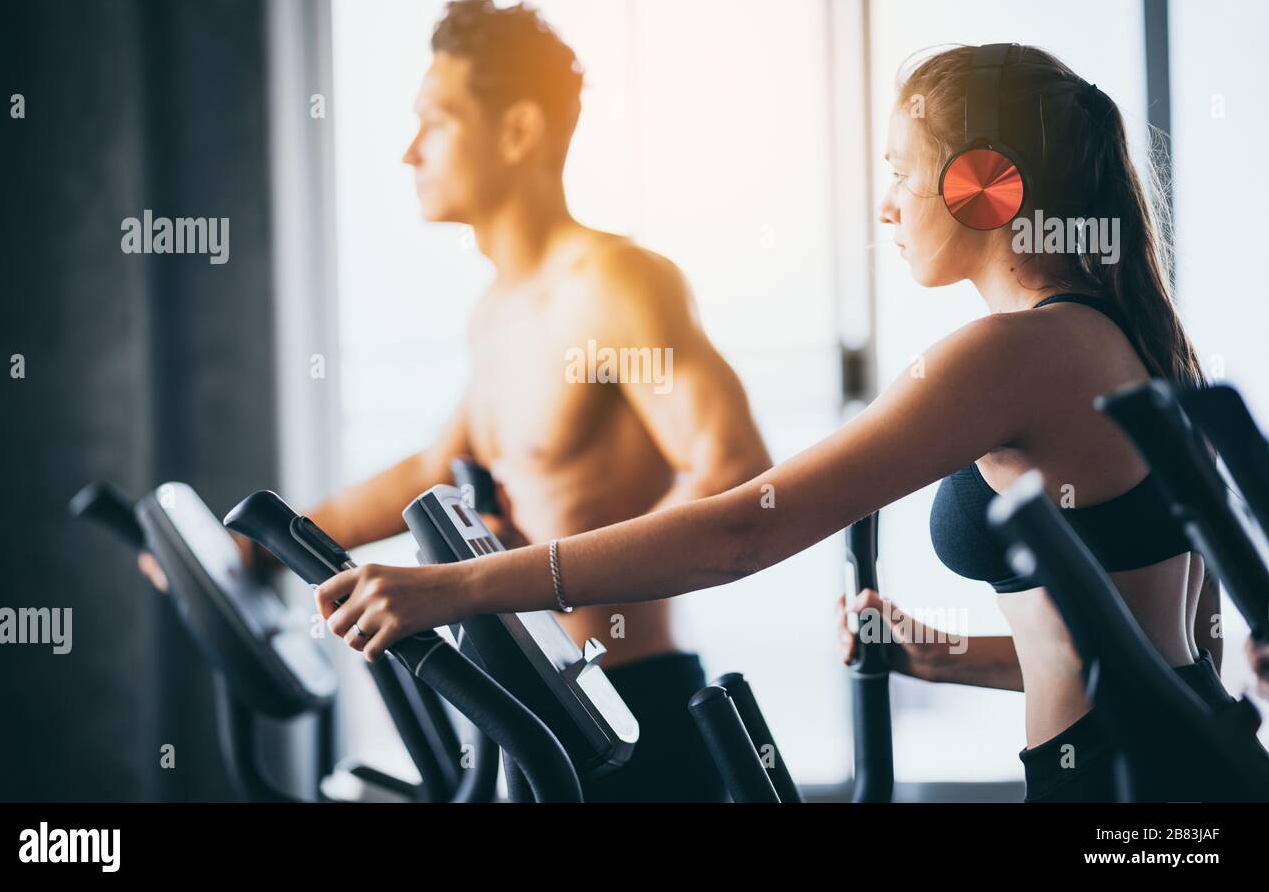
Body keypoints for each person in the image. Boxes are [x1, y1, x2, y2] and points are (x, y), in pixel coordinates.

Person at [317, 43, 1236, 803]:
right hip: (1168, 765)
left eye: (899, 172)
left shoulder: (1010, 352)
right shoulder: (1116, 332)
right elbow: (1163, 643)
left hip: (1123, 789)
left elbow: (742, 529)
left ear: (986, 186)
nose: (885, 205)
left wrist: (461, 589)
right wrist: (934, 652)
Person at [142, 0, 771, 802]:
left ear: (516, 131)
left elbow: (733, 473)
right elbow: (436, 470)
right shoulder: (502, 310)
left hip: (630, 703)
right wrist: (260, 548)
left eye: (436, 121)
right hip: (536, 709)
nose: (410, 152)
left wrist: (538, 574)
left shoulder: (612, 286)